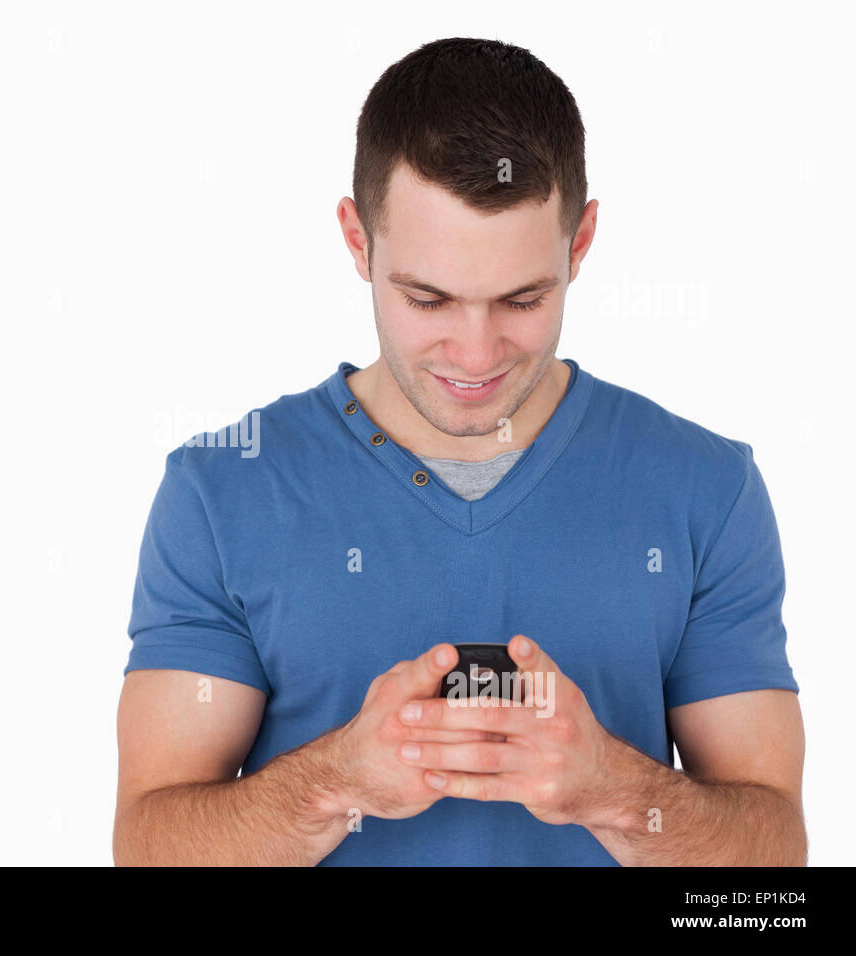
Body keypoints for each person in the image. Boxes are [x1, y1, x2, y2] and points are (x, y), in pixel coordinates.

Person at [113, 37, 805, 866]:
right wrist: (338, 782)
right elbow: (149, 844)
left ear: (580, 243)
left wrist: (609, 788)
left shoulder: (707, 489)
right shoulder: (220, 490)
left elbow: (775, 857)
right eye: (427, 297)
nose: (475, 357)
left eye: (522, 298)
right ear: (357, 241)